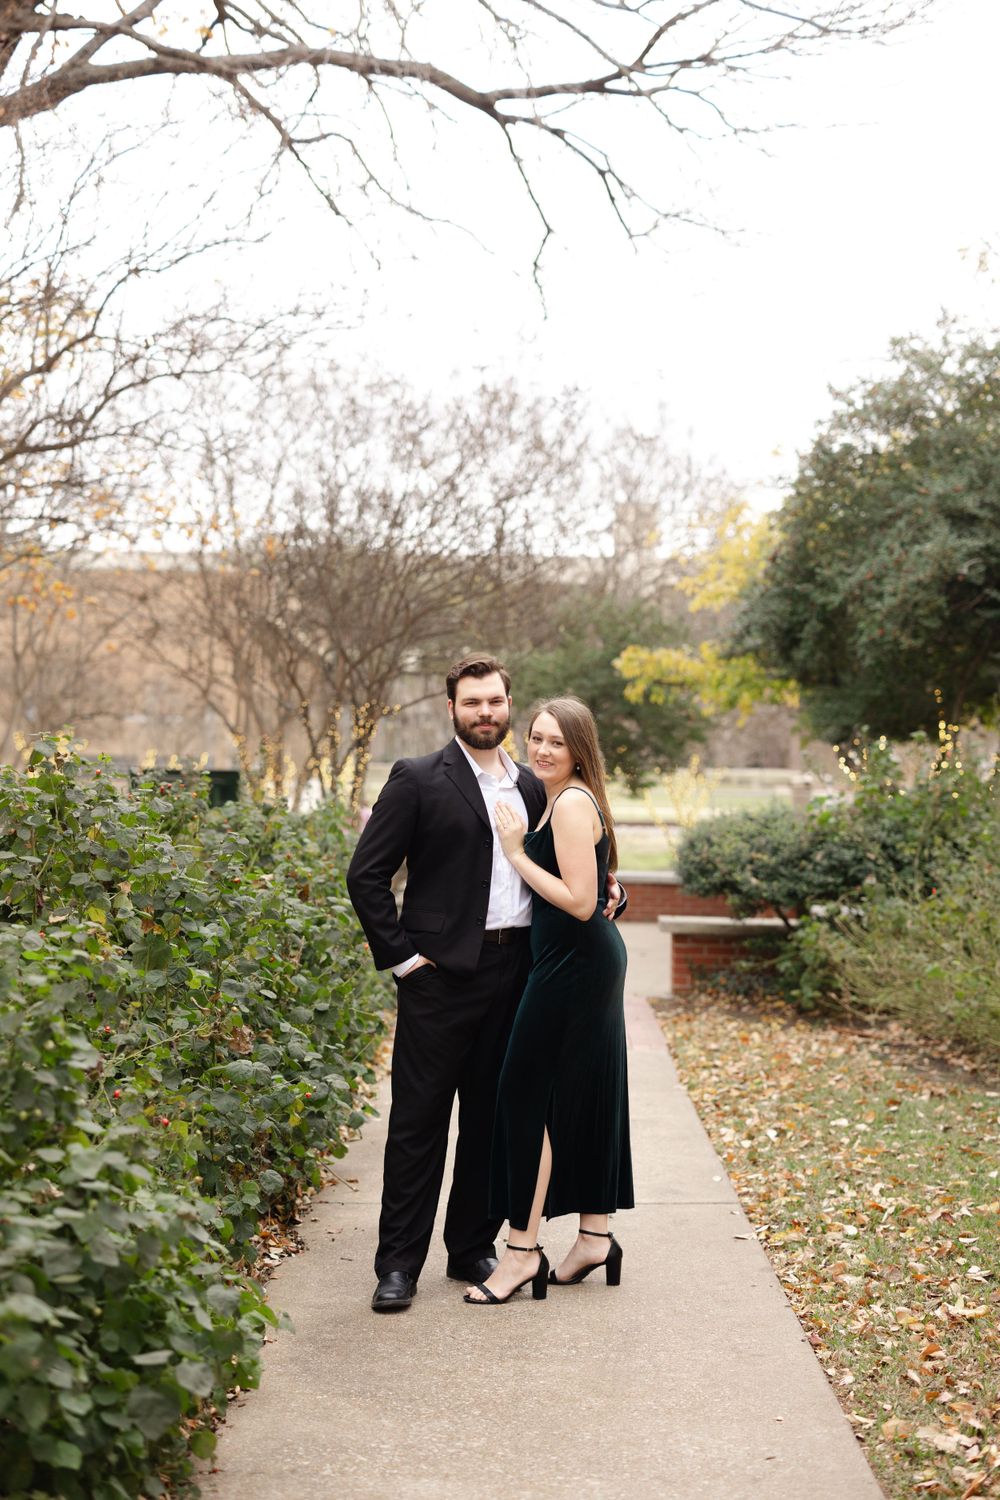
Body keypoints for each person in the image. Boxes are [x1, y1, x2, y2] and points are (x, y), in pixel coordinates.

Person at [346, 657, 624, 1313]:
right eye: (473, 702)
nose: (486, 713)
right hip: (437, 980)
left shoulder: (535, 785)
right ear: (452, 709)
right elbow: (367, 876)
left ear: (509, 704)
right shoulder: (417, 779)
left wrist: (612, 888)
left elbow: (572, 860)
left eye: (496, 701)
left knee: (491, 1125)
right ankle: (398, 1266)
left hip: (519, 973)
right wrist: (405, 962)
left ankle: (471, 1247)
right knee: (419, 1126)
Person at [463, 696, 634, 1307]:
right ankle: (594, 1236)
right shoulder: (568, 798)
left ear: (579, 748)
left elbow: (581, 902)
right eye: (535, 738)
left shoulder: (569, 803)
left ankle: (519, 1253)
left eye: (556, 742)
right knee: (580, 1095)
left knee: (523, 1098)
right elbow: (596, 885)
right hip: (577, 961)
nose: (541, 750)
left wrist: (513, 854)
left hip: (574, 966)